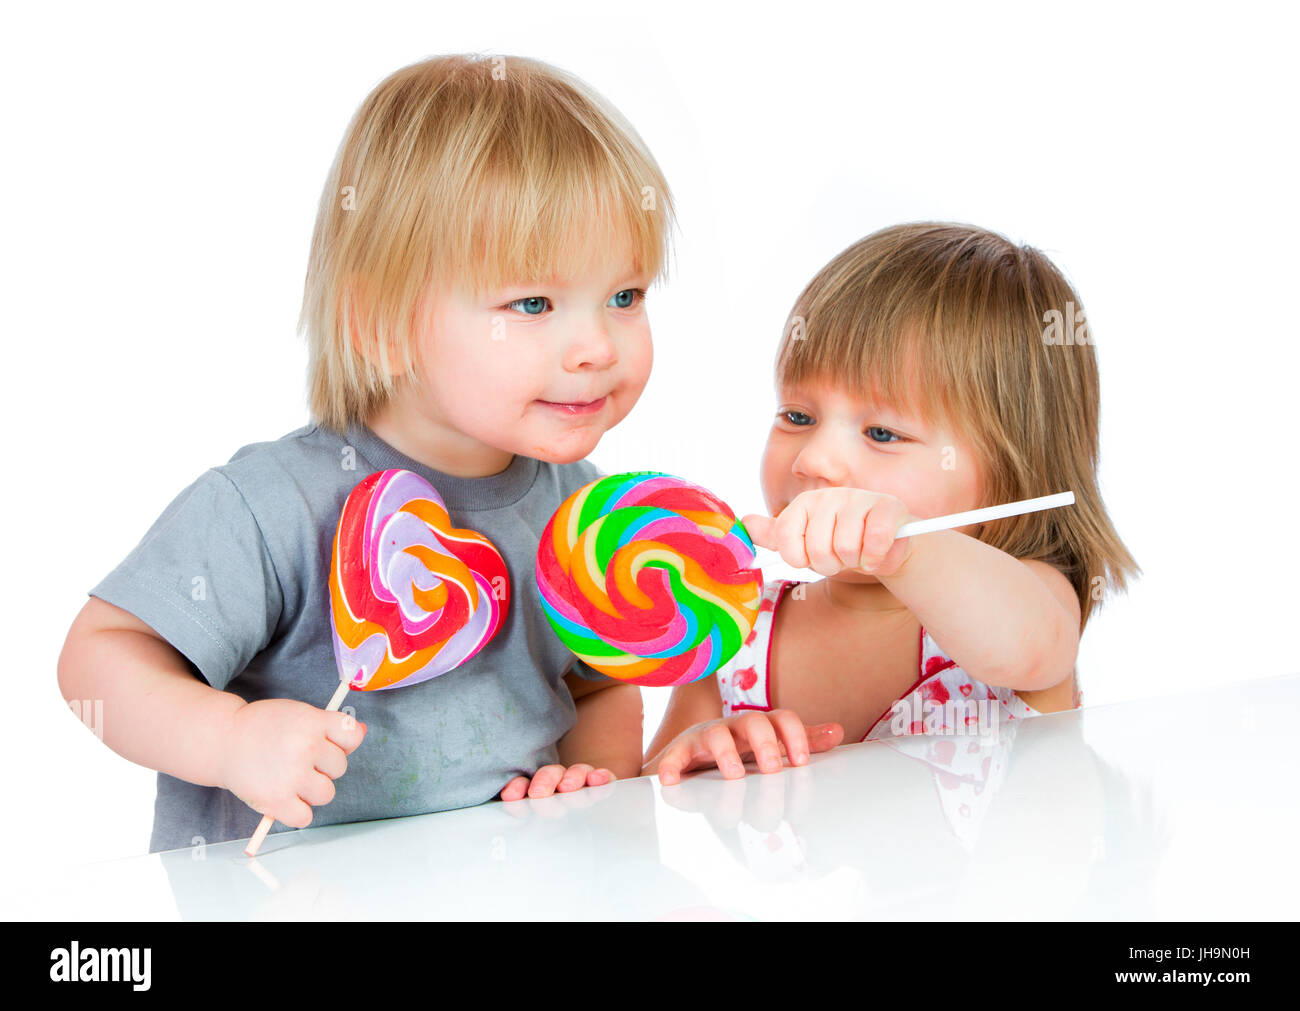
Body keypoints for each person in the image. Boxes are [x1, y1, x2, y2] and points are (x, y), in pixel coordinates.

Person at [58, 53, 674, 851]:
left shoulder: (588, 513)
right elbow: (96, 659)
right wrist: (228, 737)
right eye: (533, 302)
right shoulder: (272, 504)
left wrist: (588, 782)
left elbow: (600, 687)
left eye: (624, 296)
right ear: (379, 324)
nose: (595, 344)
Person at [645, 223, 1139, 785]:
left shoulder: (1031, 602)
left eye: (882, 433)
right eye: (798, 417)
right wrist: (701, 750)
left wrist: (903, 547)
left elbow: (1029, 649)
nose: (815, 459)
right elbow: (649, 793)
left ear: (1014, 473)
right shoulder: (730, 627)